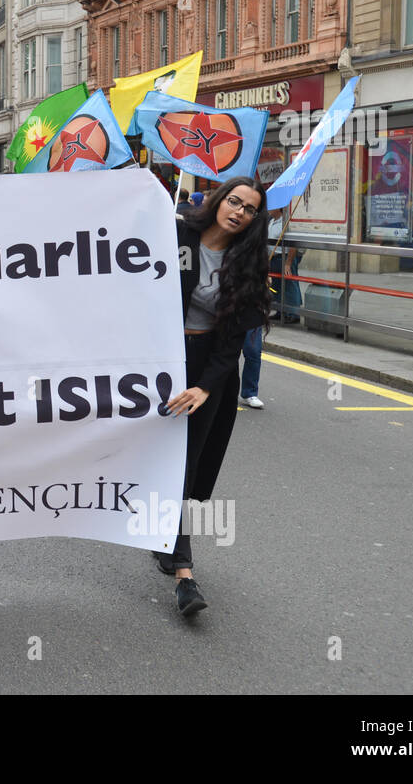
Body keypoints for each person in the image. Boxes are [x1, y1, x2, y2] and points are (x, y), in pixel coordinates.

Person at [157, 176, 270, 616]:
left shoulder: (247, 262)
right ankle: (174, 554)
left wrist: (205, 386)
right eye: (234, 201)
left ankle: (181, 565)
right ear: (219, 200)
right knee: (156, 456)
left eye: (249, 209)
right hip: (157, 359)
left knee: (187, 462)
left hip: (207, 367)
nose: (239, 211)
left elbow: (233, 339)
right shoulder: (176, 230)